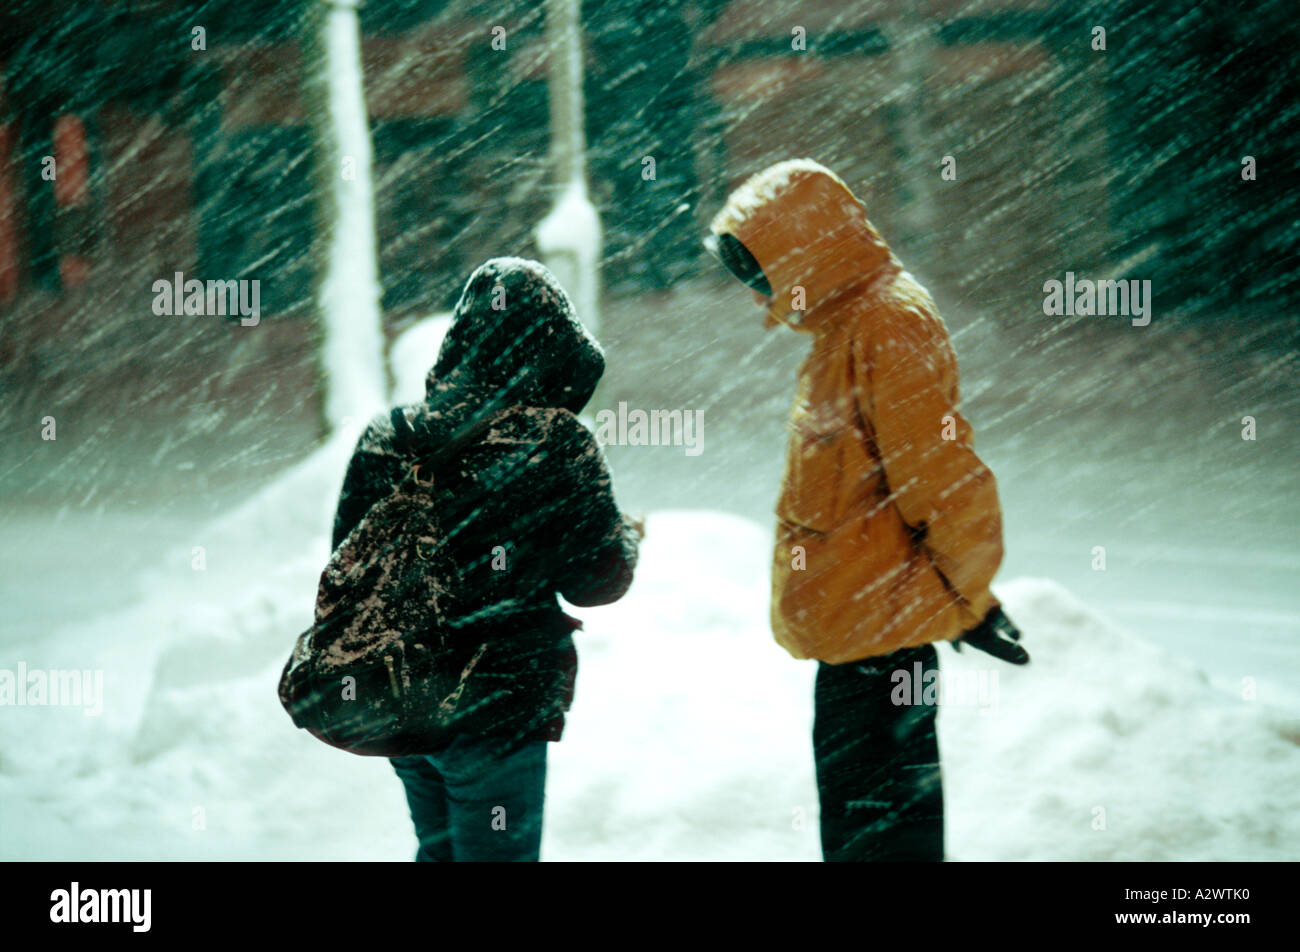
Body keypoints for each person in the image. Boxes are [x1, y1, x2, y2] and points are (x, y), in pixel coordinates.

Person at [705, 159, 1028, 862]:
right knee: (864, 836)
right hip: (860, 639)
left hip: (885, 644)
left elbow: (942, 478)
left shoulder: (885, 324)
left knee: (885, 840)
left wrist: (968, 597)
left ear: (805, 249)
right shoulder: (844, 325)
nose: (760, 297)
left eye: (761, 272)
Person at [330, 257, 641, 862]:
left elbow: (345, 570)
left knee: (439, 853)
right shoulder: (557, 444)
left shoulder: (387, 436)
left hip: (401, 708)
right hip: (495, 710)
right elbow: (598, 582)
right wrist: (624, 536)